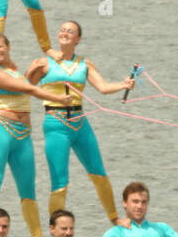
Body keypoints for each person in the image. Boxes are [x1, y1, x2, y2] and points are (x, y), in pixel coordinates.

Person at [34, 20, 135, 224]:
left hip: (80, 124)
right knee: (60, 181)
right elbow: (27, 89)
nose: (65, 33)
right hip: (56, 124)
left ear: (78, 39)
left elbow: (103, 87)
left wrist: (123, 84)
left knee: (98, 172)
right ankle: (57, 230)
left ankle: (114, 218)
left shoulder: (85, 64)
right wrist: (29, 72)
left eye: (70, 31)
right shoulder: (44, 63)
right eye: (62, 30)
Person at [0, 32, 69, 237]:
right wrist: (57, 99)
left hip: (23, 136)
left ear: (8, 46)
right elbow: (27, 89)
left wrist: (37, 69)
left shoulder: (14, 70)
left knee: (28, 191)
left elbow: (24, 87)